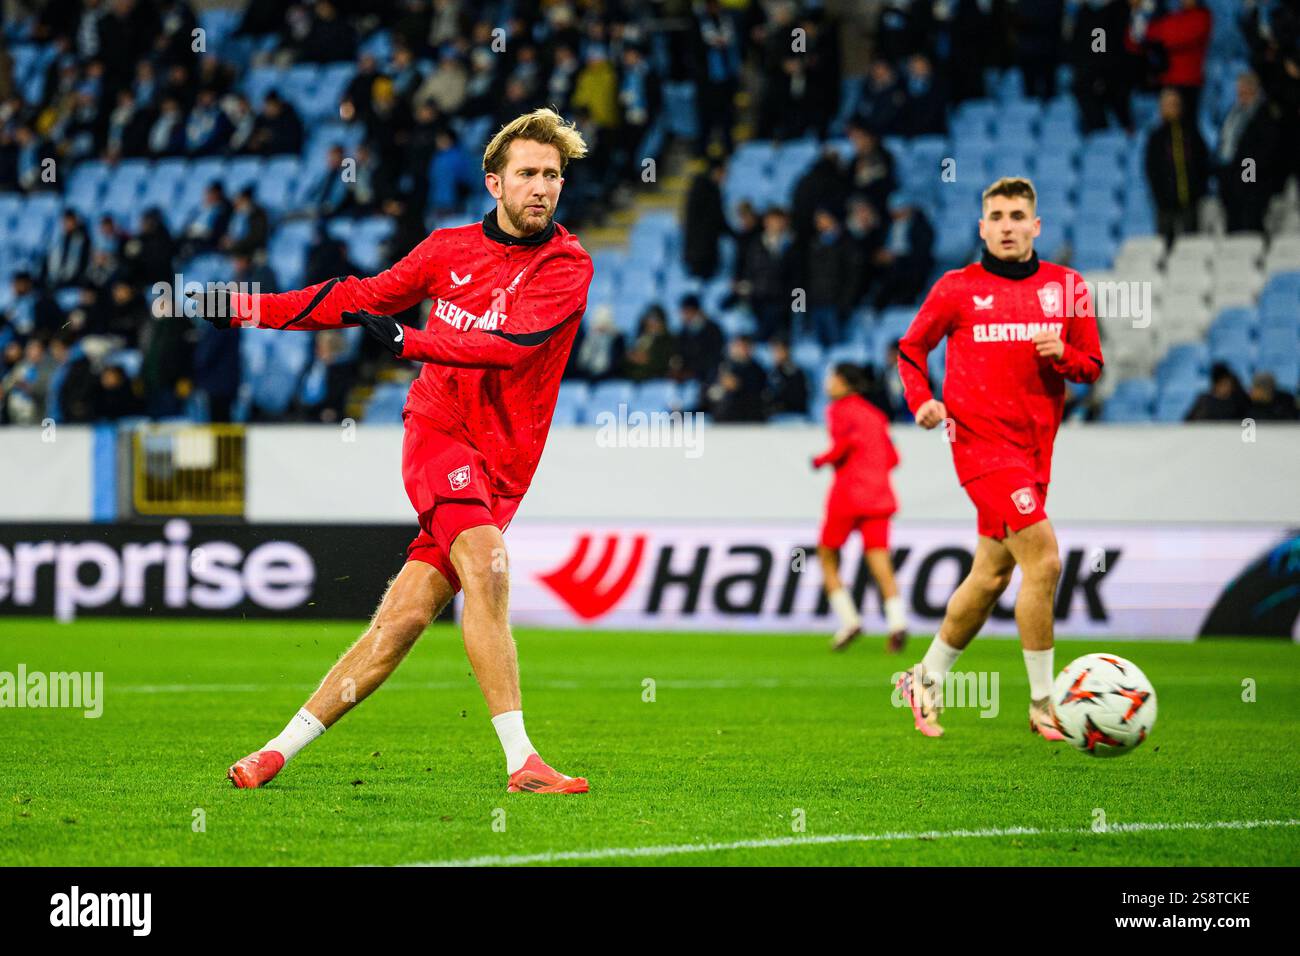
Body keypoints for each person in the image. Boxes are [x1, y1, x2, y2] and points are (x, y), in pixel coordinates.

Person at [194, 109, 593, 795]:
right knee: (488, 565)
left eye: (552, 175)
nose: (542, 188)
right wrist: (245, 309)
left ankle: (275, 753)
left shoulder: (568, 266)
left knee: (404, 620)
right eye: (528, 173)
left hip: (507, 467)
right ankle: (521, 760)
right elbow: (357, 298)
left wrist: (412, 342)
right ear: (494, 182)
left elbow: (511, 348)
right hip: (437, 433)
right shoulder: (446, 251)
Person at [895, 176, 1104, 739]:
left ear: (1036, 226)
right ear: (982, 227)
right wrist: (922, 401)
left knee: (989, 577)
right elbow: (911, 350)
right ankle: (1043, 702)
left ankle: (924, 678)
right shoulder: (957, 288)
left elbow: (1092, 365)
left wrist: (1065, 354)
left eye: (1017, 216)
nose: (1007, 226)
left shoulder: (1069, 288)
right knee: (1046, 561)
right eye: (997, 216)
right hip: (980, 446)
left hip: (1035, 451)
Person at [812, 363, 909, 653]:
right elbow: (894, 458)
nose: (828, 384)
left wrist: (820, 460)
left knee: (827, 555)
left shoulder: (838, 410)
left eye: (832, 378)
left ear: (843, 382)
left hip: (848, 496)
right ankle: (897, 623)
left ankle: (849, 620)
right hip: (880, 496)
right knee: (880, 561)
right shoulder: (876, 415)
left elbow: (844, 445)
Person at [1145, 87, 1209, 242]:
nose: (1171, 108)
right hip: (1165, 204)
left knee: (1191, 244)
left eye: (1174, 104)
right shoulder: (1156, 137)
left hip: (1190, 201)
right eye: (1167, 105)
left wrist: (1199, 189)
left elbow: (1203, 162)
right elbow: (1151, 169)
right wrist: (1160, 196)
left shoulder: (1191, 133)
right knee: (1164, 243)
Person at [1185, 362, 1249, 421]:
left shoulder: (1237, 402)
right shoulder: (1204, 402)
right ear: (1216, 384)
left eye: (1229, 385)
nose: (1228, 388)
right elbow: (1190, 423)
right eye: (1224, 384)